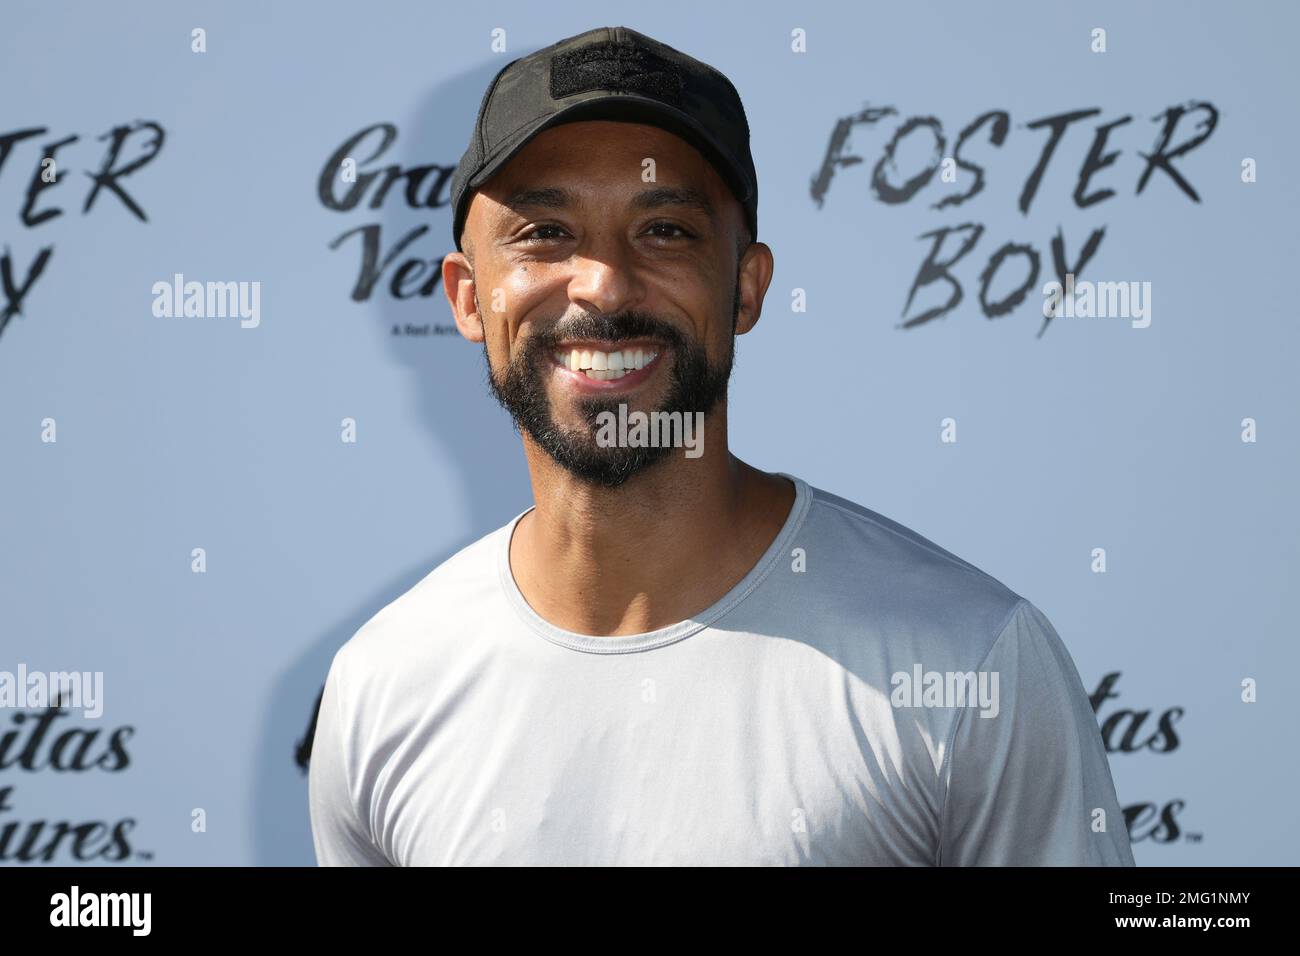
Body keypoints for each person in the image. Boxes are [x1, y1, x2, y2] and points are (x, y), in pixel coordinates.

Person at [308, 25, 1135, 866]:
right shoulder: (385, 685)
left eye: (664, 230)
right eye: (545, 233)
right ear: (468, 296)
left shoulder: (967, 661)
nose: (604, 283)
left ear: (745, 285)